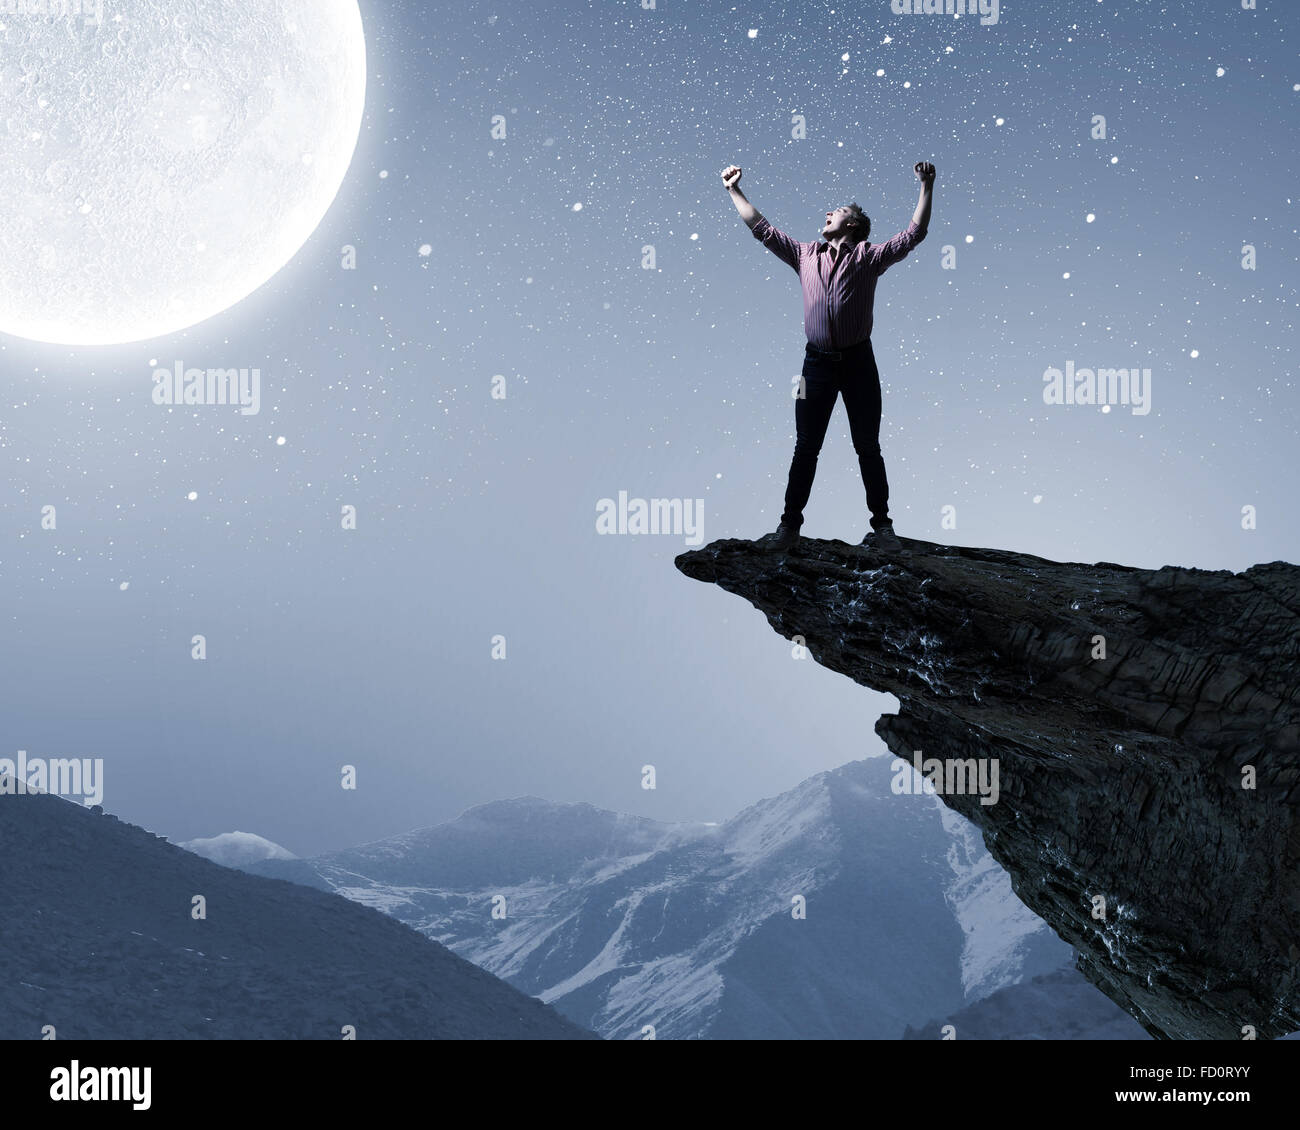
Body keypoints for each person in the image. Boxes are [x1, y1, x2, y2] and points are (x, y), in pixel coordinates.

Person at [722, 160, 935, 551]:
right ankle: (788, 527)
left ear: (853, 224)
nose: (827, 214)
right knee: (806, 446)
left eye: (837, 212)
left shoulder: (870, 257)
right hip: (813, 367)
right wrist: (734, 190)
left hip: (859, 365)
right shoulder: (805, 255)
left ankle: (883, 526)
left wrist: (926, 185)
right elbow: (762, 229)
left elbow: (914, 234)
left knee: (867, 445)